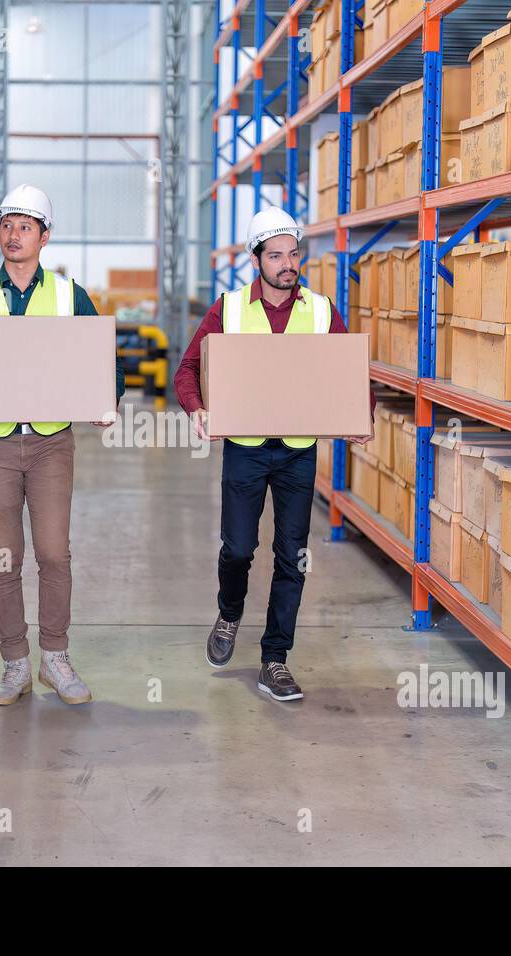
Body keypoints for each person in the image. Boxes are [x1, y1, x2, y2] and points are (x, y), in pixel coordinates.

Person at [0, 185, 124, 707]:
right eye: (7, 225)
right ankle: (15, 664)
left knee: (54, 554)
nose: (14, 235)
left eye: (26, 226)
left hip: (51, 443)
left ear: (45, 237)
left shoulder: (67, 295)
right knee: (5, 558)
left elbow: (104, 358)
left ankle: (54, 657)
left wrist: (108, 399)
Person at [173, 207, 374, 702]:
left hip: (297, 453)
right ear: (257, 259)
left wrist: (359, 415)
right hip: (244, 449)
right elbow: (188, 367)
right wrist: (197, 407)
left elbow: (348, 373)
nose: (288, 264)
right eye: (277, 255)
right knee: (238, 548)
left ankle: (275, 659)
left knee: (293, 556)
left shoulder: (322, 310)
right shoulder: (230, 308)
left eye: (294, 254)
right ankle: (229, 611)